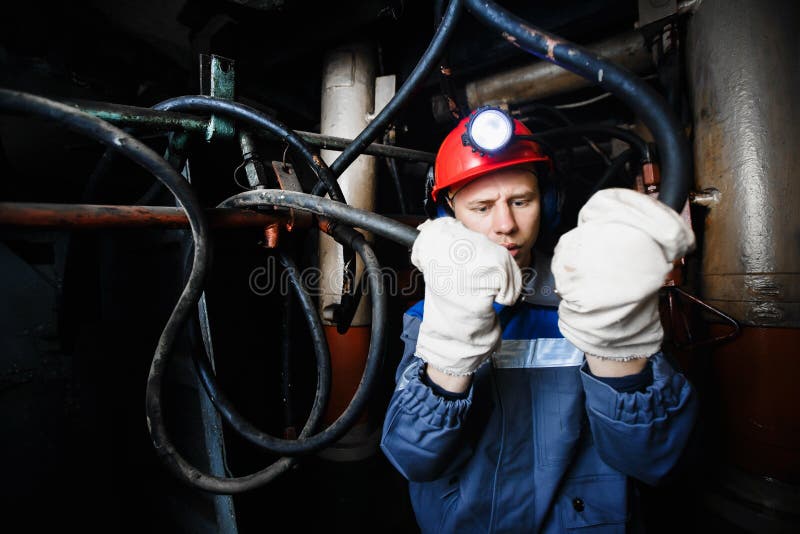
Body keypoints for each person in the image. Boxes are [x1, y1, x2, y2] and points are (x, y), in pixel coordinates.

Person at [380, 107, 698, 533]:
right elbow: (412, 460)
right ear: (449, 217)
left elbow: (654, 460)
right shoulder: (428, 318)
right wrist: (449, 356)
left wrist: (618, 348)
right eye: (482, 207)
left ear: (546, 202)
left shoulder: (600, 292)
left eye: (520, 201)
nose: (506, 225)